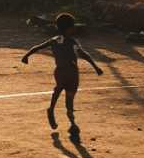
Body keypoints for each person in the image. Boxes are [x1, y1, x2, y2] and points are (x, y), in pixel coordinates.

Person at [21, 13, 103, 142]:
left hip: (67, 71)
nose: (75, 28)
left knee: (66, 92)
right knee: (64, 91)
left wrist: (27, 55)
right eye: (73, 26)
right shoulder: (69, 41)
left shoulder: (57, 40)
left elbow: (37, 47)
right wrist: (95, 66)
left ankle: (68, 118)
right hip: (67, 72)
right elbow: (84, 54)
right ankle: (57, 113)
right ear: (69, 28)